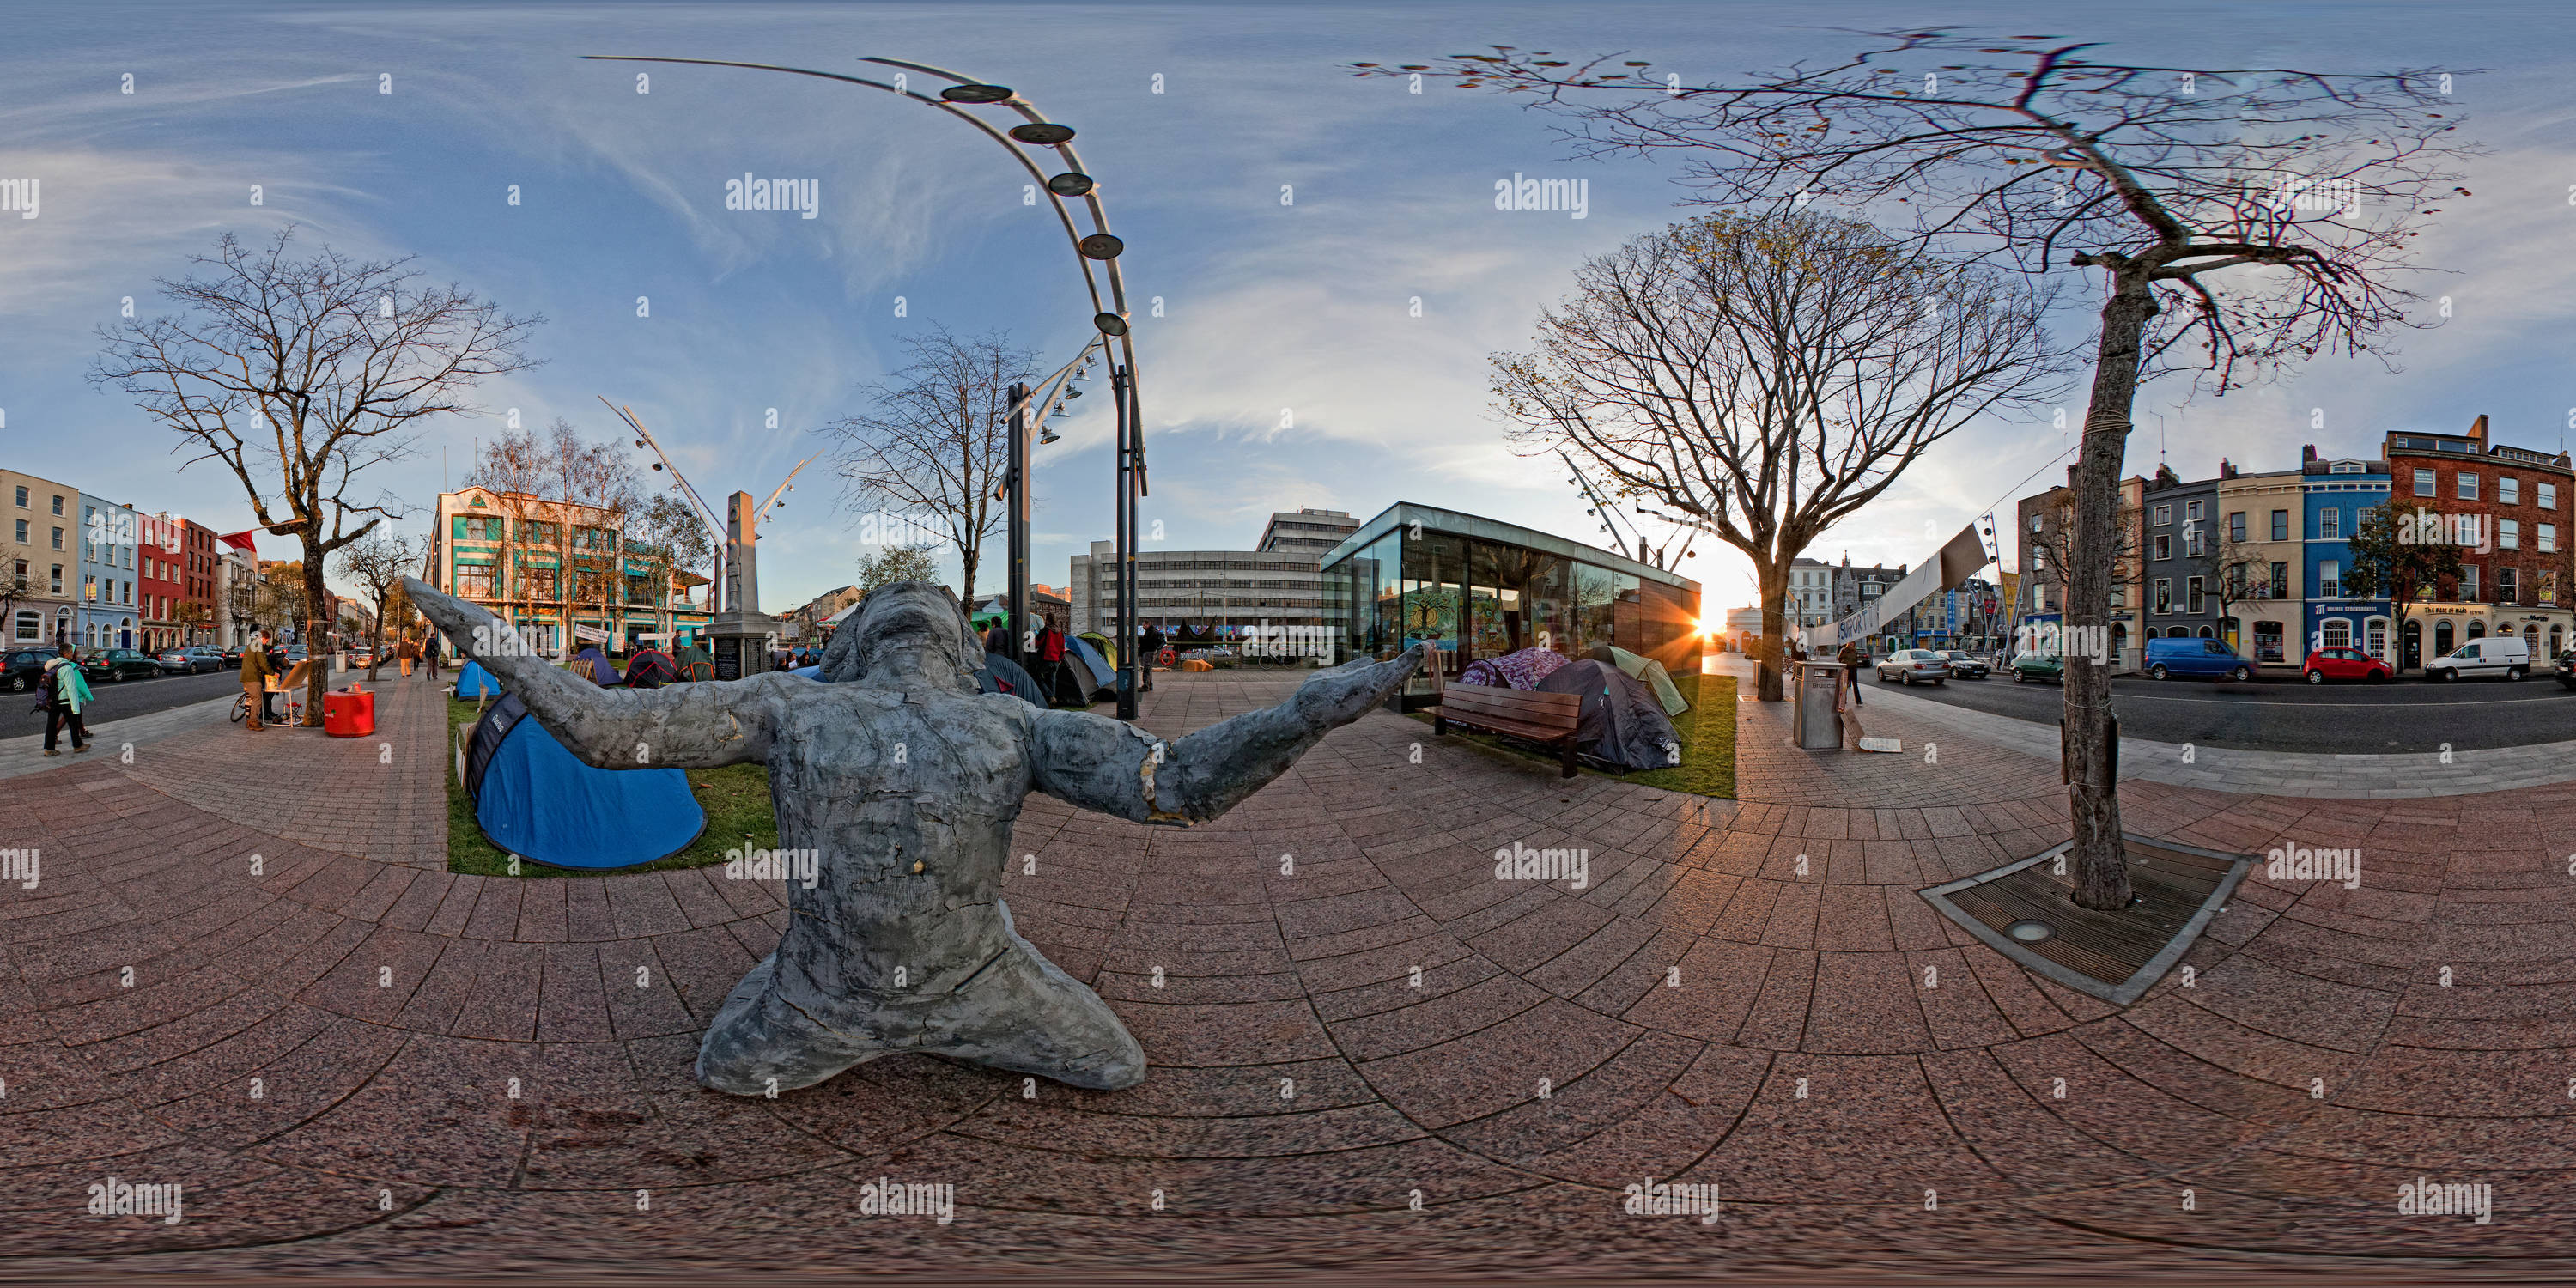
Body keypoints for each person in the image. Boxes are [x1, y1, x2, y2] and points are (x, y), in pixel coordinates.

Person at [40, 647, 94, 756]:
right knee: (73, 723)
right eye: (70, 652)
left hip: (53, 700)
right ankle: (77, 746)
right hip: (65, 701)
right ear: (65, 653)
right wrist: (76, 707)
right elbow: (71, 688)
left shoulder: (52, 665)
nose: (72, 654)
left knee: (51, 724)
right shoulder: (67, 667)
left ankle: (49, 749)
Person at [1838, 640, 1865, 708]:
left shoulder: (1855, 651)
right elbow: (1839, 659)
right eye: (1850, 642)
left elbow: (1856, 659)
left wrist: (1855, 665)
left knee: (1855, 685)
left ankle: (1858, 700)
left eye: (1852, 643)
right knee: (1845, 685)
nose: (1851, 644)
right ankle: (1843, 700)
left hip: (1853, 669)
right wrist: (1844, 664)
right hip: (1846, 668)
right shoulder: (1844, 650)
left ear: (1854, 644)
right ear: (1847, 643)